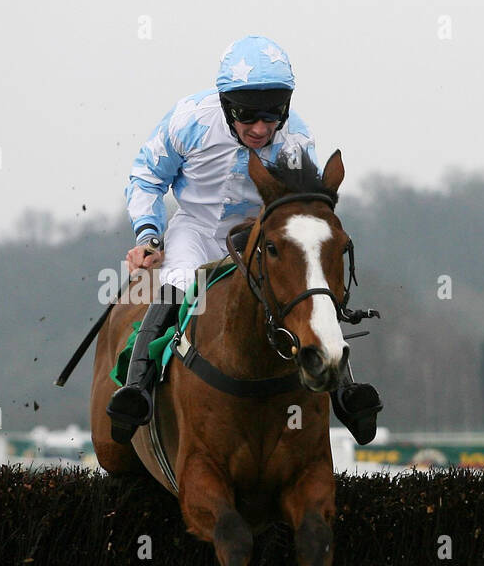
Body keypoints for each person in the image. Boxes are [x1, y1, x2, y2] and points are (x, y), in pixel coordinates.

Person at [106, 35, 382, 443]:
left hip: (259, 238)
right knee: (179, 283)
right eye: (247, 117)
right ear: (224, 105)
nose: (259, 129)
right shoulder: (189, 120)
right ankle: (138, 387)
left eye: (271, 118)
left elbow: (301, 210)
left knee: (307, 292)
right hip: (196, 230)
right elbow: (147, 177)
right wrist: (149, 234)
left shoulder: (296, 139)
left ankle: (344, 388)